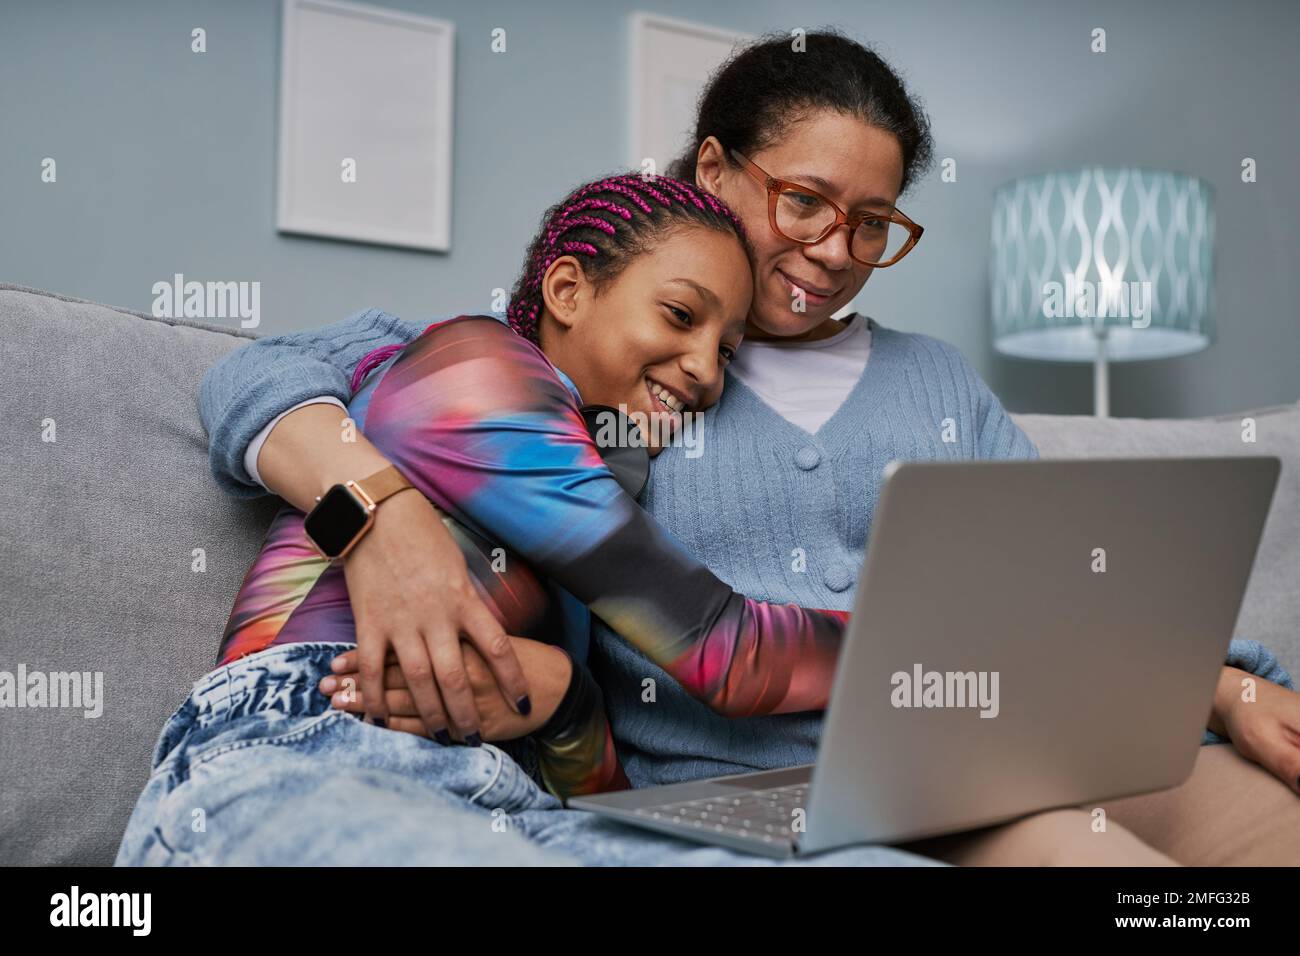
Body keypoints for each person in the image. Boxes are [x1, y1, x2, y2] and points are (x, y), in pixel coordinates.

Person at [143, 29, 1300, 866]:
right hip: (750, 790)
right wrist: (375, 511)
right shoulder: (552, 365)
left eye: (873, 223)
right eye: (805, 200)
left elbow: (1066, 580)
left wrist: (1225, 680)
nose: (834, 248)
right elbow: (256, 370)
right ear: (711, 171)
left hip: (976, 746)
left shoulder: (930, 378)